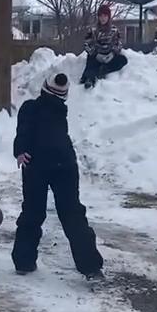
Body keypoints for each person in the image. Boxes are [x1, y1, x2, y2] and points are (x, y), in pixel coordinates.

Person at [11, 72, 103, 278]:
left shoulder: (29, 107)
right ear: (64, 95)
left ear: (43, 88)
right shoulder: (60, 109)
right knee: (72, 214)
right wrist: (20, 149)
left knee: (33, 212)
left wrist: (20, 151)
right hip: (64, 165)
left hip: (36, 164)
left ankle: (24, 262)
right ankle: (91, 266)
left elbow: (23, 130)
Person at [80, 3, 128, 88]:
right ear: (98, 17)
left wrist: (113, 53)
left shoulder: (114, 30)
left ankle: (104, 70)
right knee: (91, 61)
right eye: (101, 16)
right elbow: (86, 44)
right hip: (96, 55)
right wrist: (95, 53)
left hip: (109, 56)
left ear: (108, 17)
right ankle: (89, 79)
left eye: (105, 16)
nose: (103, 18)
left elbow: (119, 43)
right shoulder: (93, 29)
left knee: (123, 60)